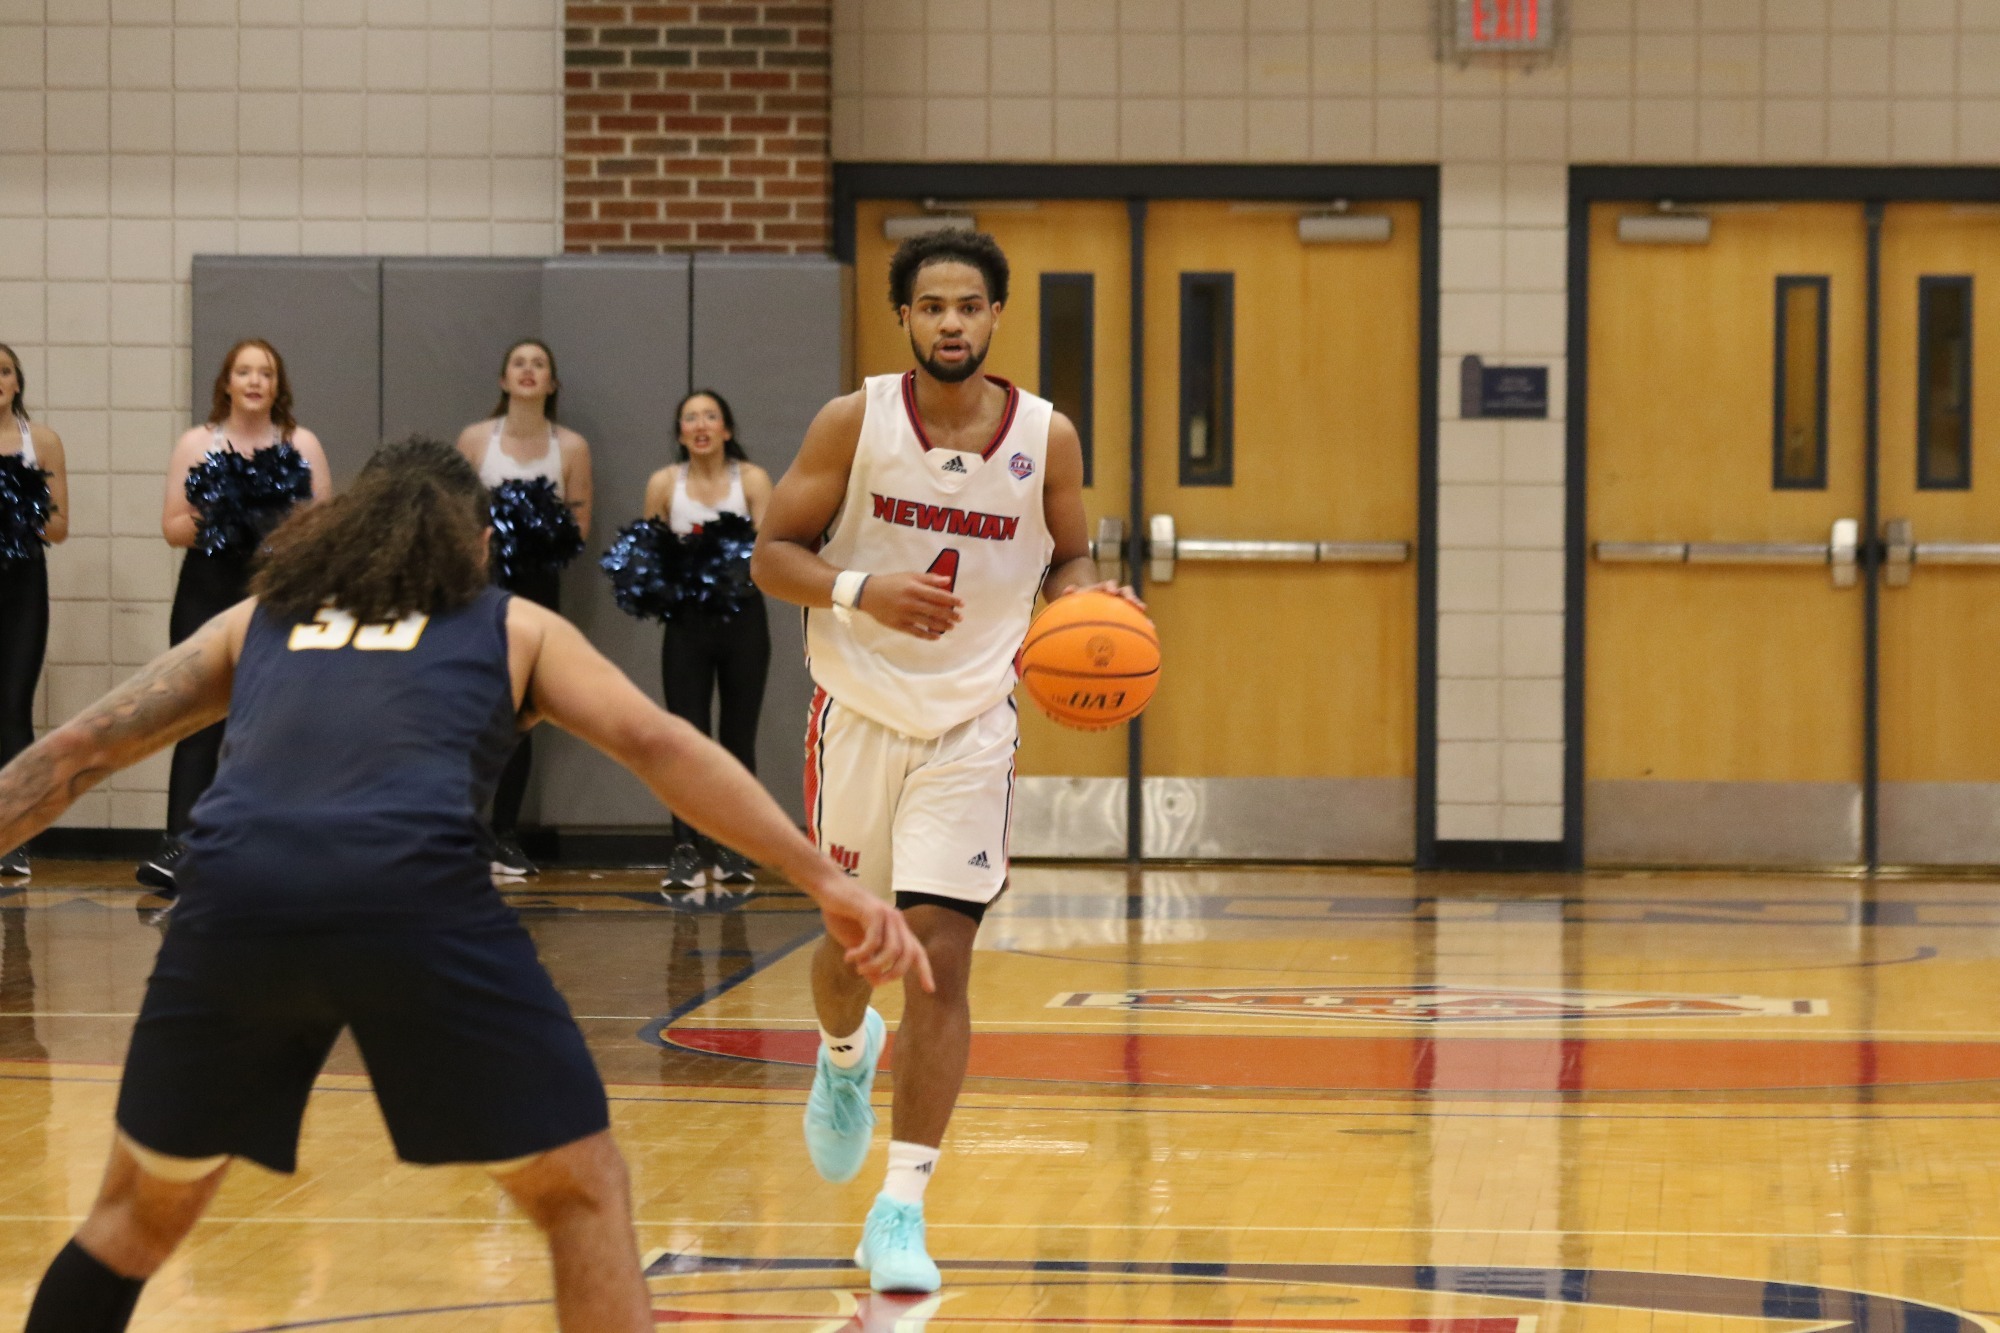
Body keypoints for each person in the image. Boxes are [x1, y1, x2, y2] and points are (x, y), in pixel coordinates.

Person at [0, 438, 931, 1333]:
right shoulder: (514, 624)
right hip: (414, 901)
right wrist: (822, 878)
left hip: (236, 898)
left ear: (341, 528)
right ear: (480, 545)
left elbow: (77, 753)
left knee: (136, 1216)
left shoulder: (259, 620)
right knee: (580, 1194)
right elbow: (660, 744)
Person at [751, 229, 1139, 1293]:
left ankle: (900, 1207)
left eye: (969, 305)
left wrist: (1091, 607)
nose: (952, 323)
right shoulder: (855, 420)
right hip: (860, 711)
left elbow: (1068, 553)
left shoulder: (1045, 437)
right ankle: (842, 1056)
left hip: (972, 718)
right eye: (932, 307)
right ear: (905, 319)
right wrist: (856, 589)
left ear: (995, 316)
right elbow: (769, 556)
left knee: (939, 953)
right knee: (855, 947)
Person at [139, 339, 331, 895]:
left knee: (273, 720)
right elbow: (172, 526)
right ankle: (180, 845)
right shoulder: (197, 443)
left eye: (264, 373)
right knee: (198, 718)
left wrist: (275, 523)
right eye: (243, 372)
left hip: (275, 593)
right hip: (206, 588)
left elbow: (323, 529)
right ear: (226, 382)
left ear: (277, 385)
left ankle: (273, 846)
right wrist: (228, 513)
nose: (254, 381)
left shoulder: (303, 444)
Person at [457, 339, 594, 877]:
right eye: (519, 362)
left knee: (521, 706)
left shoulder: (573, 447)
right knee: (470, 703)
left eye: (540, 364)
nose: (529, 370)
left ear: (552, 384)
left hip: (538, 586)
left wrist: (538, 536)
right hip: (478, 584)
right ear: (504, 379)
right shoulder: (473, 440)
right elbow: (455, 511)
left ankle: (505, 834)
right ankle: (462, 830)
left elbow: (578, 525)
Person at [642, 389, 775, 897]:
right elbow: (648, 555)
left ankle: (735, 844)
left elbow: (765, 552)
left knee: (738, 739)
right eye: (689, 418)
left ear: (727, 430)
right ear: (680, 434)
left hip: (742, 620)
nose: (700, 425)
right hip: (686, 625)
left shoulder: (754, 480)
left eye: (710, 417)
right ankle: (685, 848)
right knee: (684, 741)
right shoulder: (663, 483)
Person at [0, 343, 69, 878]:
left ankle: (14, 836)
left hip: (23, 586)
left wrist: (22, 507)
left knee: (13, 705)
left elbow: (59, 529)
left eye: (3, 371)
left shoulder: (41, 441)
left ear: (17, 382)